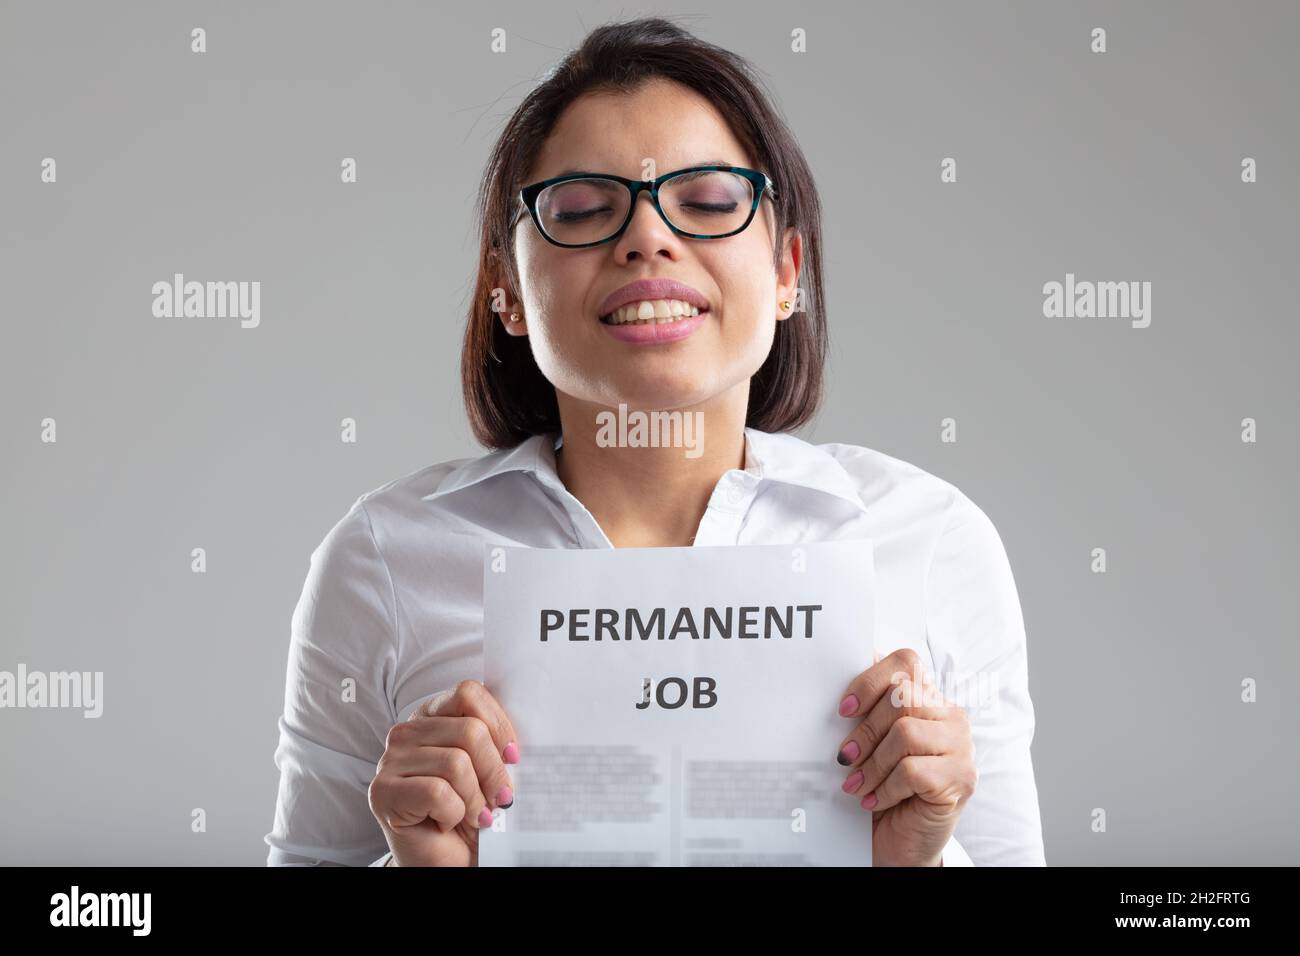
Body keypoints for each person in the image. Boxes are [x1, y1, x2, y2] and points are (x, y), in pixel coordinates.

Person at [265, 16, 1046, 867]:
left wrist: (919, 859)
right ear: (509, 290)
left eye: (708, 202)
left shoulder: (932, 538)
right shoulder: (383, 556)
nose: (647, 238)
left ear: (787, 272)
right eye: (582, 209)